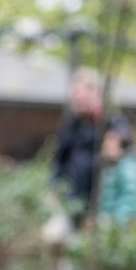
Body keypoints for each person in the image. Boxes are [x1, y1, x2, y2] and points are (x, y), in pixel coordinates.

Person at [52, 67, 103, 218]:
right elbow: (59, 161)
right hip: (72, 202)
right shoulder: (72, 126)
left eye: (80, 95)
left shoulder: (108, 124)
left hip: (100, 205)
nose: (76, 100)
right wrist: (54, 188)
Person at [99, 117, 136, 225]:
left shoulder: (128, 166)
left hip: (119, 226)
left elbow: (128, 200)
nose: (106, 144)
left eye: (111, 139)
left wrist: (114, 224)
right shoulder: (112, 166)